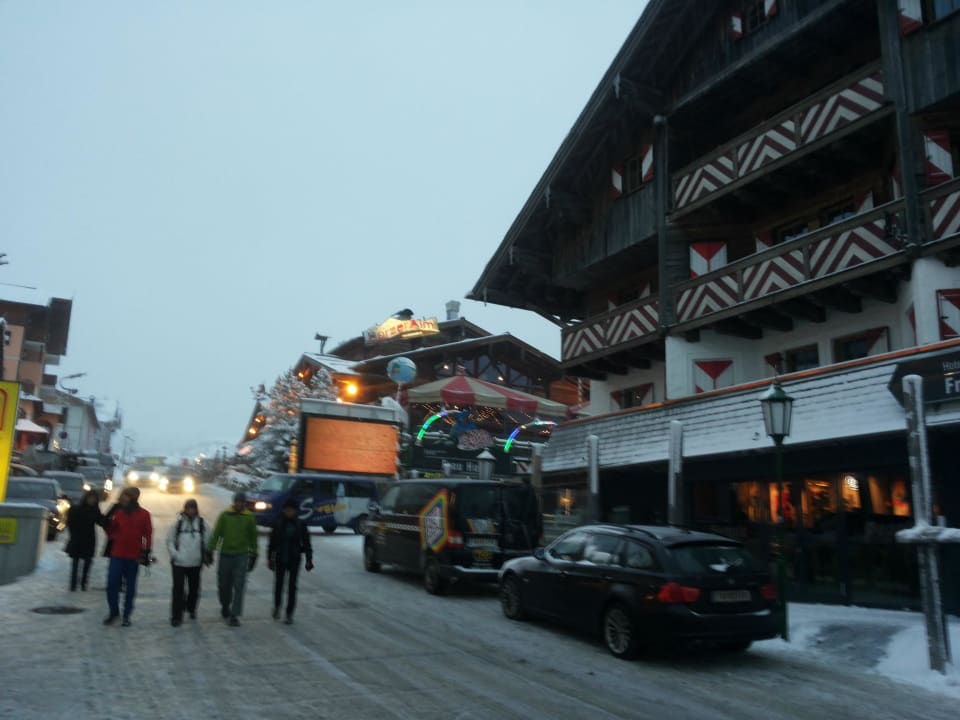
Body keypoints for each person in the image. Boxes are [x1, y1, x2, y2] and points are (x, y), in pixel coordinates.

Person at [103, 487, 153, 627]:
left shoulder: (144, 514)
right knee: (112, 584)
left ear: (133, 498)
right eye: (122, 496)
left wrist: (147, 551)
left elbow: (147, 534)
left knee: (130, 587)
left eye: (126, 496)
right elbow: (110, 530)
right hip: (117, 554)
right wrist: (108, 524)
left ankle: (126, 615)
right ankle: (114, 612)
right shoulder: (118, 513)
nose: (123, 499)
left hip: (134, 556)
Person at [207, 491, 258, 627]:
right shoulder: (225, 516)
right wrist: (211, 550)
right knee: (224, 584)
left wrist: (254, 554)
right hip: (225, 554)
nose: (239, 504)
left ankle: (235, 614)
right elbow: (217, 534)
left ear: (245, 503)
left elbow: (253, 537)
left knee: (239, 585)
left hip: (241, 555)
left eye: (242, 502)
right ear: (233, 502)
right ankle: (225, 604)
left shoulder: (249, 518)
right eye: (237, 501)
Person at [166, 498, 213, 627]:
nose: (191, 511)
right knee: (178, 590)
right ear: (185, 509)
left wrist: (207, 554)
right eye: (188, 508)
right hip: (179, 563)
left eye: (193, 508)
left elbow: (210, 541)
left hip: (196, 563)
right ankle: (176, 616)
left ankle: (191, 608)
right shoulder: (178, 524)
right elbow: (169, 540)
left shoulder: (203, 524)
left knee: (194, 589)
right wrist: (175, 554)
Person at [267, 498, 313, 624]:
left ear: (295, 511)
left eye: (291, 510)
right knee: (279, 585)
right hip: (280, 558)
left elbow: (307, 543)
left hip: (294, 559)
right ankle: (277, 606)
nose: (289, 512)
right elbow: (272, 543)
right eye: (287, 510)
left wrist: (309, 559)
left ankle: (289, 613)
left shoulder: (300, 524)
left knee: (292, 587)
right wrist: (270, 558)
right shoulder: (278, 523)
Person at [66, 489, 103, 591]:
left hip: (89, 539)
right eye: (90, 498)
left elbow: (101, 521)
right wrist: (73, 535)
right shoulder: (76, 509)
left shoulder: (95, 510)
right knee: (75, 563)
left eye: (94, 499)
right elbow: (70, 523)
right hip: (77, 538)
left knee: (87, 562)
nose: (92, 500)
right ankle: (73, 584)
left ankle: (83, 583)